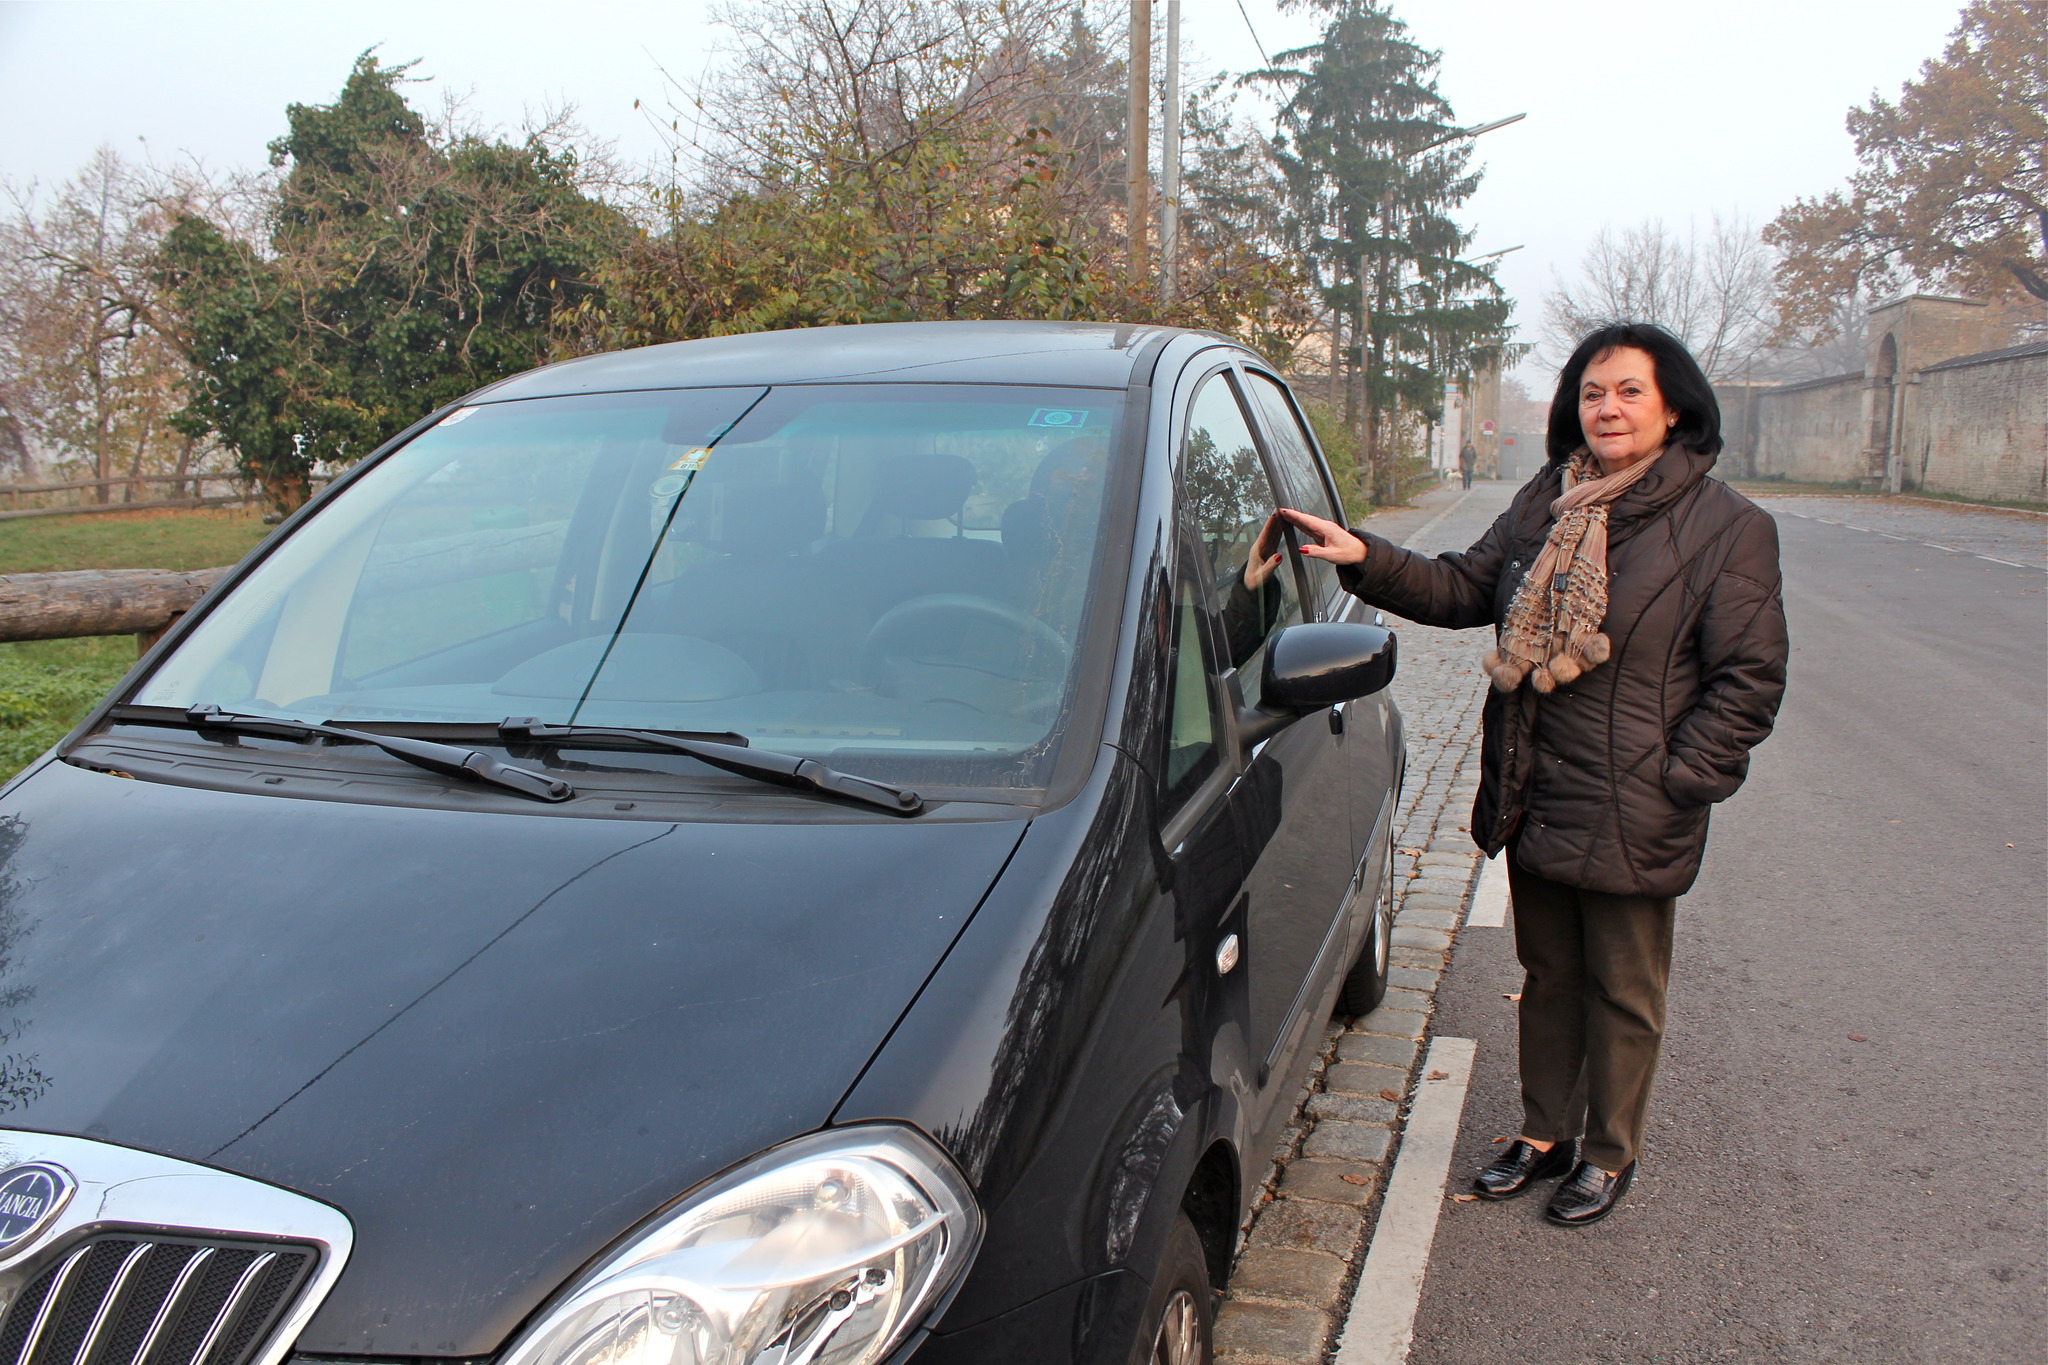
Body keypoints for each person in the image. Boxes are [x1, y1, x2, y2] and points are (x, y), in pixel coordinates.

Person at [1280, 322, 1788, 1227]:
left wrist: (1682, 777)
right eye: (1595, 392)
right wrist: (1366, 556)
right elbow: (1468, 587)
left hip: (1640, 802)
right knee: (1548, 970)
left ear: (1674, 408)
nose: (1609, 408)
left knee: (1624, 987)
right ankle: (1546, 1131)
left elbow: (1749, 680)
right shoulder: (1545, 503)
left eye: (1631, 391)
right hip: (1538, 784)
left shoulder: (1727, 528)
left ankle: (1608, 1151)